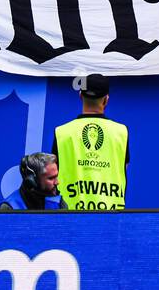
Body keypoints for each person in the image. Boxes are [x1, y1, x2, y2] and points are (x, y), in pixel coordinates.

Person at [53, 73, 130, 211]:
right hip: (111, 216)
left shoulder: (62, 132)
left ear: (81, 96)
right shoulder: (121, 132)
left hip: (68, 216)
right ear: (106, 100)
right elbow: (125, 167)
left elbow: (53, 173)